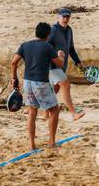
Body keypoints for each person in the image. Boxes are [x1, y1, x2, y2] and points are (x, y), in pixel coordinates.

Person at [11, 22, 64, 152]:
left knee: (32, 112)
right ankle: (51, 142)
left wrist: (14, 78)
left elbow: (13, 62)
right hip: (41, 83)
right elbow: (59, 64)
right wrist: (61, 56)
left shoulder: (25, 45)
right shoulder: (48, 47)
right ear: (48, 34)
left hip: (27, 82)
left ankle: (32, 145)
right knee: (54, 110)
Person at [46, 8, 86, 121]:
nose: (65, 19)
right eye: (63, 17)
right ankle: (73, 113)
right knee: (66, 85)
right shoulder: (53, 30)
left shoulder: (69, 30)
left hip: (62, 66)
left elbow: (71, 49)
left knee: (55, 89)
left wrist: (78, 62)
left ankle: (42, 112)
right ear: (58, 17)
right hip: (52, 65)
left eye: (67, 17)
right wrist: (55, 54)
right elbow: (44, 46)